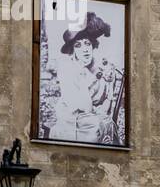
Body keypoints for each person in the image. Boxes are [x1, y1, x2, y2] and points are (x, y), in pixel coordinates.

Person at [51, 12, 124, 144]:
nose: (85, 50)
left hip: (93, 121)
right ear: (73, 51)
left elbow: (106, 109)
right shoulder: (68, 69)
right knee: (93, 128)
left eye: (87, 44)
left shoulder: (101, 68)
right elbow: (85, 107)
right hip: (72, 123)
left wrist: (108, 81)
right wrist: (83, 75)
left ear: (93, 45)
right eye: (78, 46)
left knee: (101, 125)